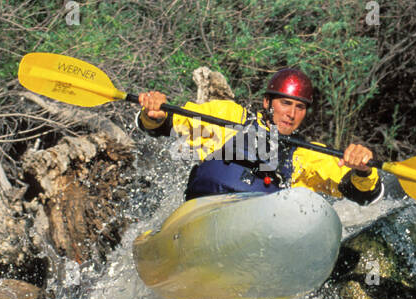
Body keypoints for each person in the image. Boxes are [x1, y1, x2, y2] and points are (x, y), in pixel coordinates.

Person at [136, 66, 383, 205]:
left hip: (251, 236)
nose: (292, 114)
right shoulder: (228, 118)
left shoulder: (304, 154)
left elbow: (362, 194)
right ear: (267, 102)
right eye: (286, 103)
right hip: (200, 215)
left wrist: (363, 170)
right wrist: (155, 114)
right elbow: (168, 123)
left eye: (300, 107)